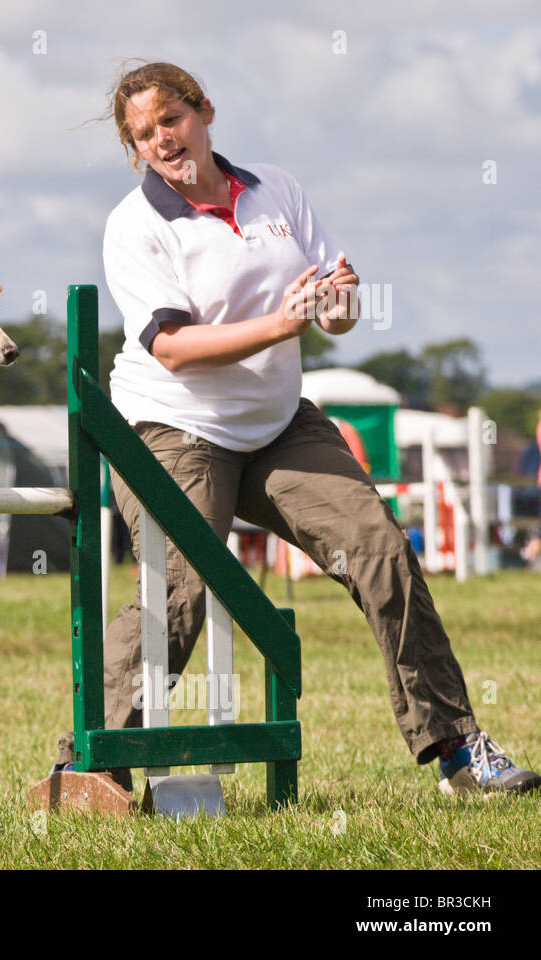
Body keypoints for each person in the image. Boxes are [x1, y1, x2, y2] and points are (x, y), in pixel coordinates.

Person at [52, 61, 538, 797]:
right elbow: (174, 349)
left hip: (277, 425)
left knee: (381, 551)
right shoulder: (135, 224)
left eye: (171, 121)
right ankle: (89, 761)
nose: (161, 142)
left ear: (205, 110)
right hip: (171, 427)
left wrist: (336, 302)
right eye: (142, 136)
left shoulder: (277, 189)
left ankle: (460, 753)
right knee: (181, 588)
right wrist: (285, 320)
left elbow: (336, 312)